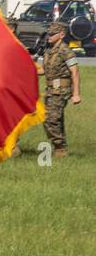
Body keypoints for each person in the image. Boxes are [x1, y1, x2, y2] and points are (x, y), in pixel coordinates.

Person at [39, 21, 81, 156]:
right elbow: (43, 71)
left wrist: (76, 94)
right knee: (56, 119)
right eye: (48, 34)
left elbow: (75, 72)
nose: (49, 36)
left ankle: (60, 148)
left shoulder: (65, 51)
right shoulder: (49, 50)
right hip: (50, 89)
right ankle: (61, 148)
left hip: (62, 90)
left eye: (52, 34)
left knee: (49, 118)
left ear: (61, 34)